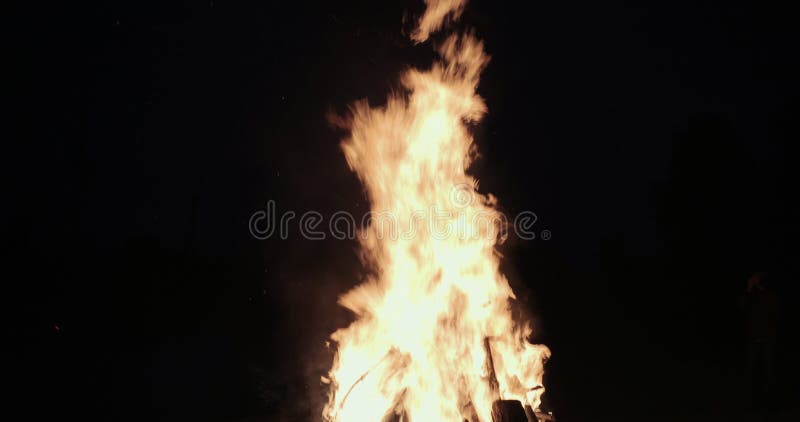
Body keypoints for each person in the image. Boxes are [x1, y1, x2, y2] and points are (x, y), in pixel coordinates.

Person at [740, 272, 781, 410]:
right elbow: (742, 306)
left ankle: (770, 400)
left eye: (756, 279)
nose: (754, 280)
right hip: (753, 339)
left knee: (769, 370)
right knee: (751, 369)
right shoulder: (752, 296)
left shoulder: (771, 296)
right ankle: (751, 399)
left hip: (767, 339)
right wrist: (748, 288)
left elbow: (774, 314)